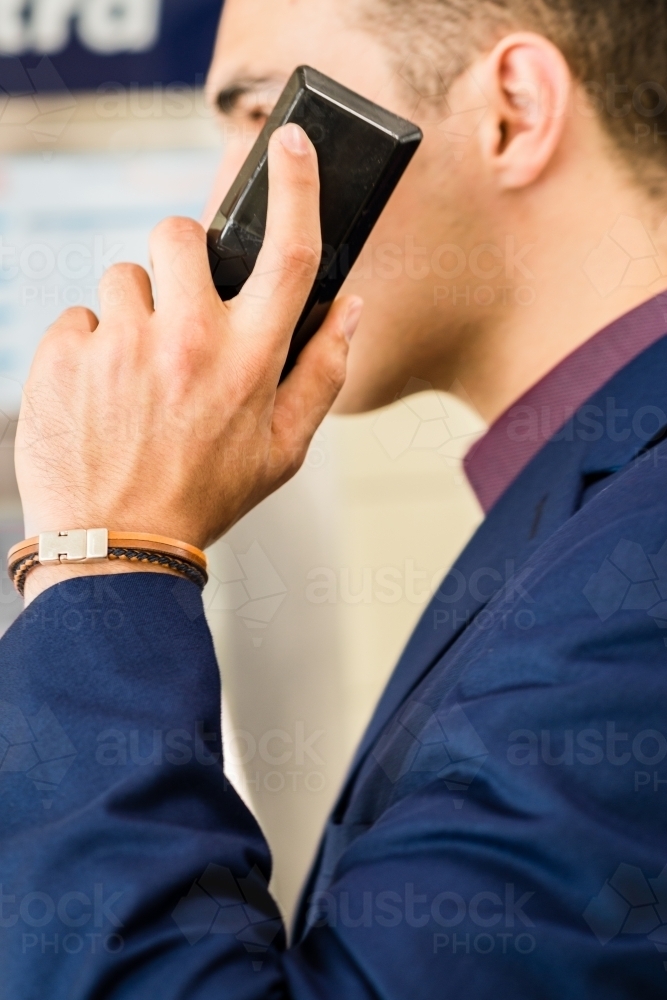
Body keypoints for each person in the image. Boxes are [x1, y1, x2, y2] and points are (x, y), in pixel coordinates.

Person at [2, 0, 667, 995]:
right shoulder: (595, 511)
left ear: (512, 113)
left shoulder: (643, 564)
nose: (217, 198)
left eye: (261, 115)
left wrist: (107, 552)